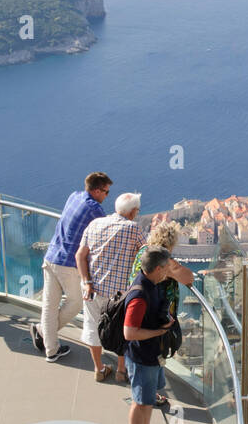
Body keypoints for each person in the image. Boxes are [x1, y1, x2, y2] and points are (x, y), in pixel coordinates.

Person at [32, 172, 112, 363]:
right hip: (68, 264)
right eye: (105, 192)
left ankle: (51, 349)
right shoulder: (95, 209)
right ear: (95, 190)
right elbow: (106, 230)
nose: (106, 196)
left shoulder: (74, 195)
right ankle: (43, 332)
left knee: (50, 306)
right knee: (75, 304)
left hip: (51, 256)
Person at [74, 192, 145, 381]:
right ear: (131, 212)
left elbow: (80, 255)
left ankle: (99, 369)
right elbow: (145, 255)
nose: (137, 214)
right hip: (120, 295)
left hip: (93, 290)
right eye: (137, 210)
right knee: (122, 330)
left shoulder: (94, 224)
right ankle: (121, 371)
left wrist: (85, 282)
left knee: (92, 329)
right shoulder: (133, 228)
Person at [128, 219, 194, 404]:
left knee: (149, 354)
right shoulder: (164, 261)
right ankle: (146, 398)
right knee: (153, 353)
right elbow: (189, 277)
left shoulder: (143, 251)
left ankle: (149, 393)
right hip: (155, 315)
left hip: (141, 308)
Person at [122, 247, 177, 424]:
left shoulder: (151, 284)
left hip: (151, 353)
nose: (167, 271)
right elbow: (129, 332)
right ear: (157, 268)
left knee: (147, 400)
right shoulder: (139, 295)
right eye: (165, 268)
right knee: (139, 402)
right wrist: (159, 332)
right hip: (141, 356)